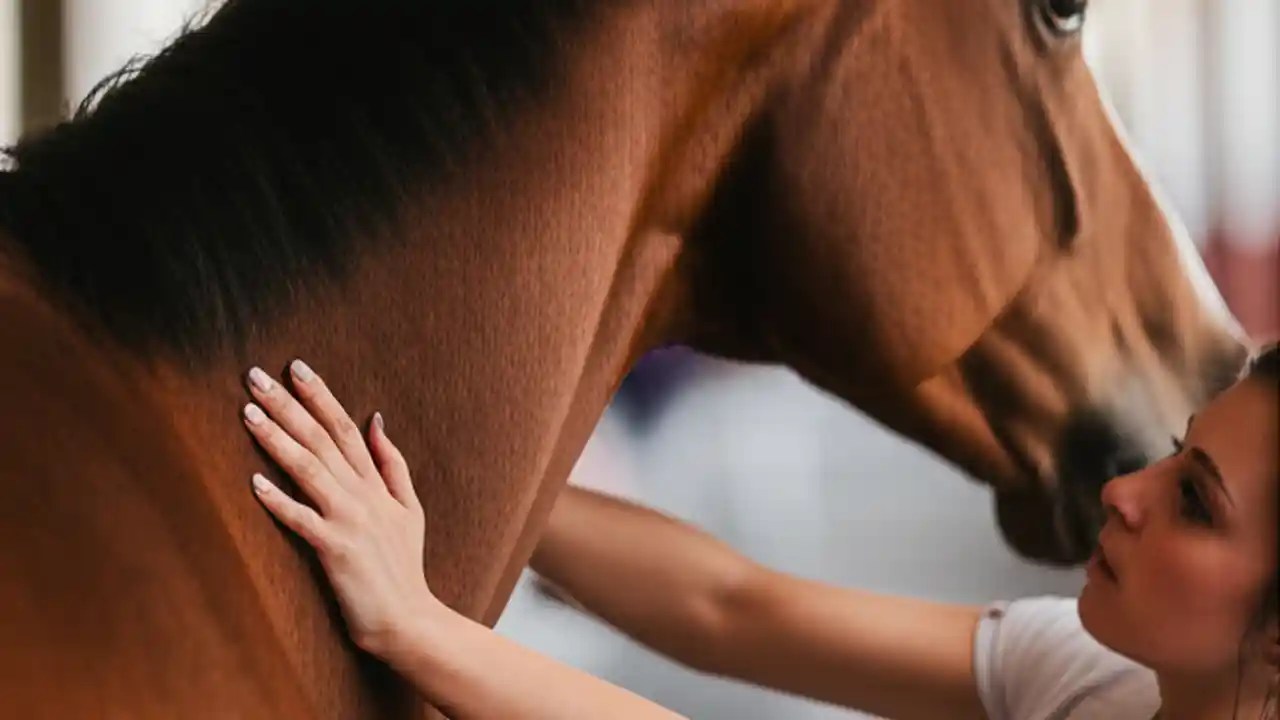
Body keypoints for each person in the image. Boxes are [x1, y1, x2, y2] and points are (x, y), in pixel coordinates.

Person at [238, 345, 1280, 719]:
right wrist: (458, 470)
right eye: (1173, 454)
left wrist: (415, 626)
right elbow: (730, 605)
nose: (1123, 493)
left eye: (1193, 502)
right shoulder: (1093, 679)